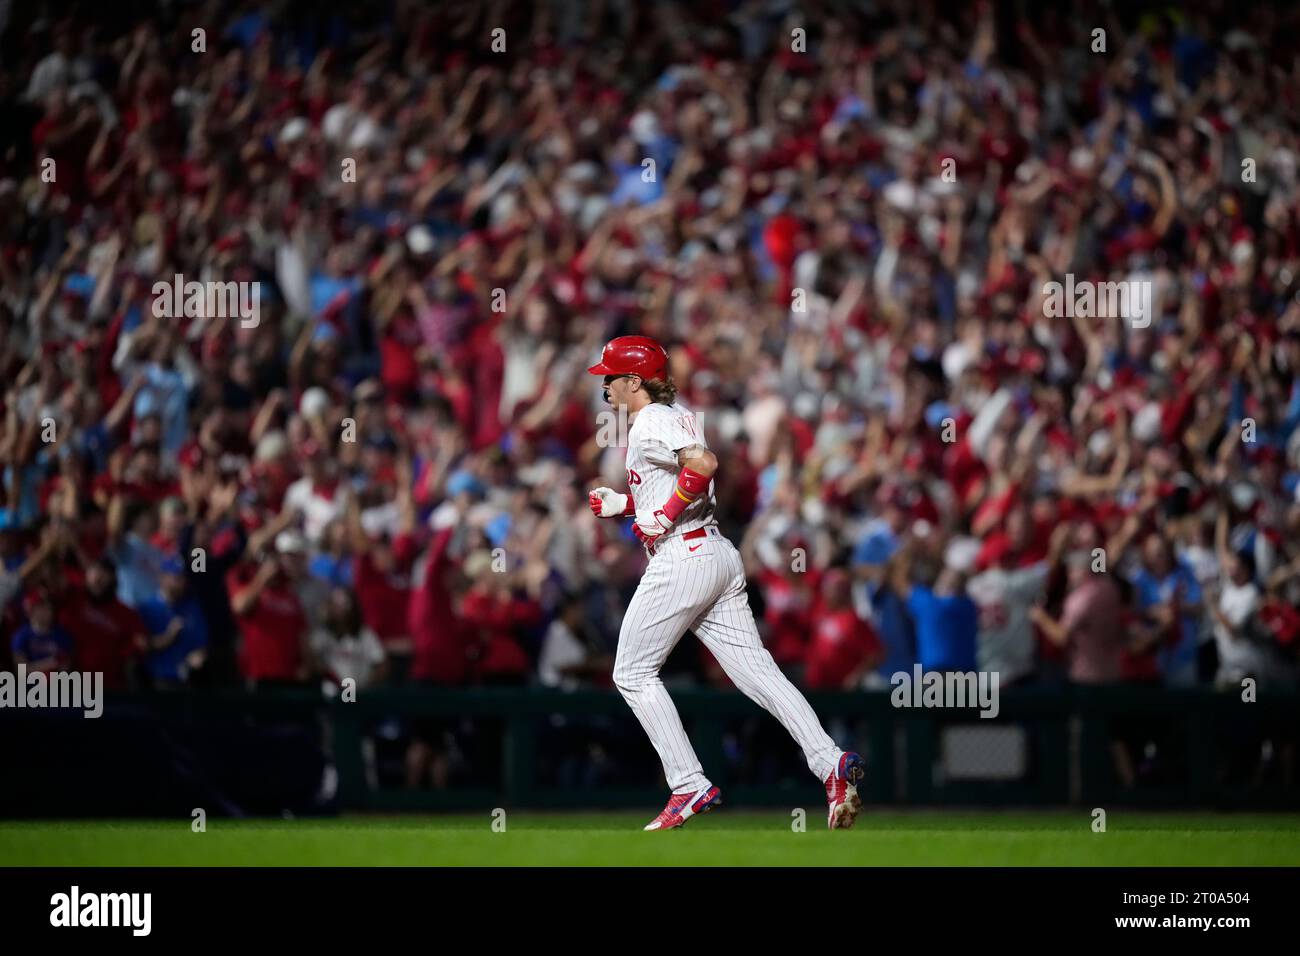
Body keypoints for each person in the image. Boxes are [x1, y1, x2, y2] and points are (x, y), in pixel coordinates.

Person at [586, 335, 864, 831]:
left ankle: (687, 784)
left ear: (634, 381)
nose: (604, 384)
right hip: (715, 552)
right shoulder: (676, 415)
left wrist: (661, 517)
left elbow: (703, 466)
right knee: (758, 673)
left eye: (611, 376)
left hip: (682, 558)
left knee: (631, 673)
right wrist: (625, 506)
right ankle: (830, 763)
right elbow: (687, 478)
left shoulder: (650, 420)